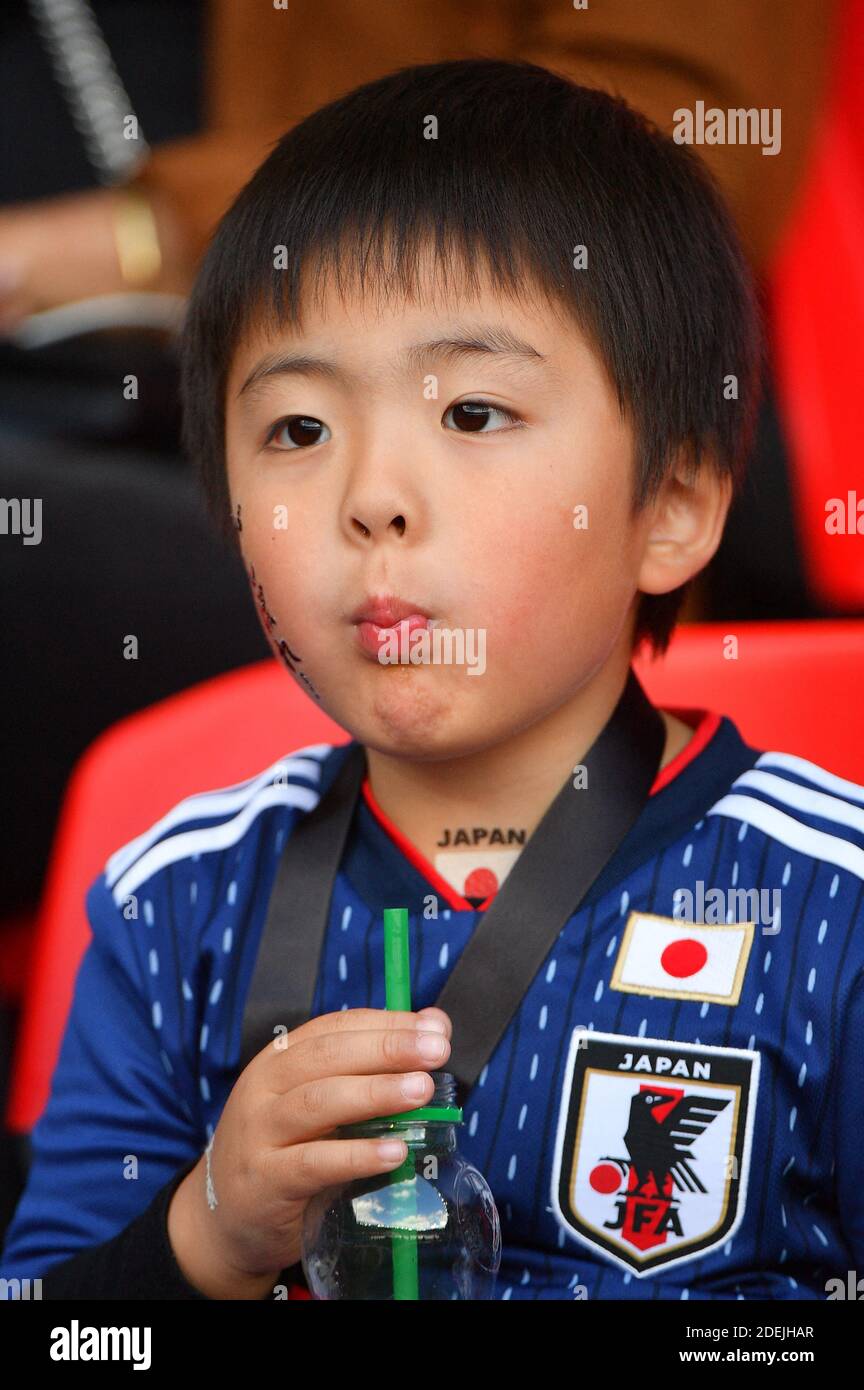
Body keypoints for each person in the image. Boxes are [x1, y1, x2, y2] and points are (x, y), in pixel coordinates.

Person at [3, 59, 863, 1301]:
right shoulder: (173, 903)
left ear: (670, 504)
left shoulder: (829, 905)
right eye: (298, 430)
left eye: (470, 411)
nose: (371, 498)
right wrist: (207, 1233)